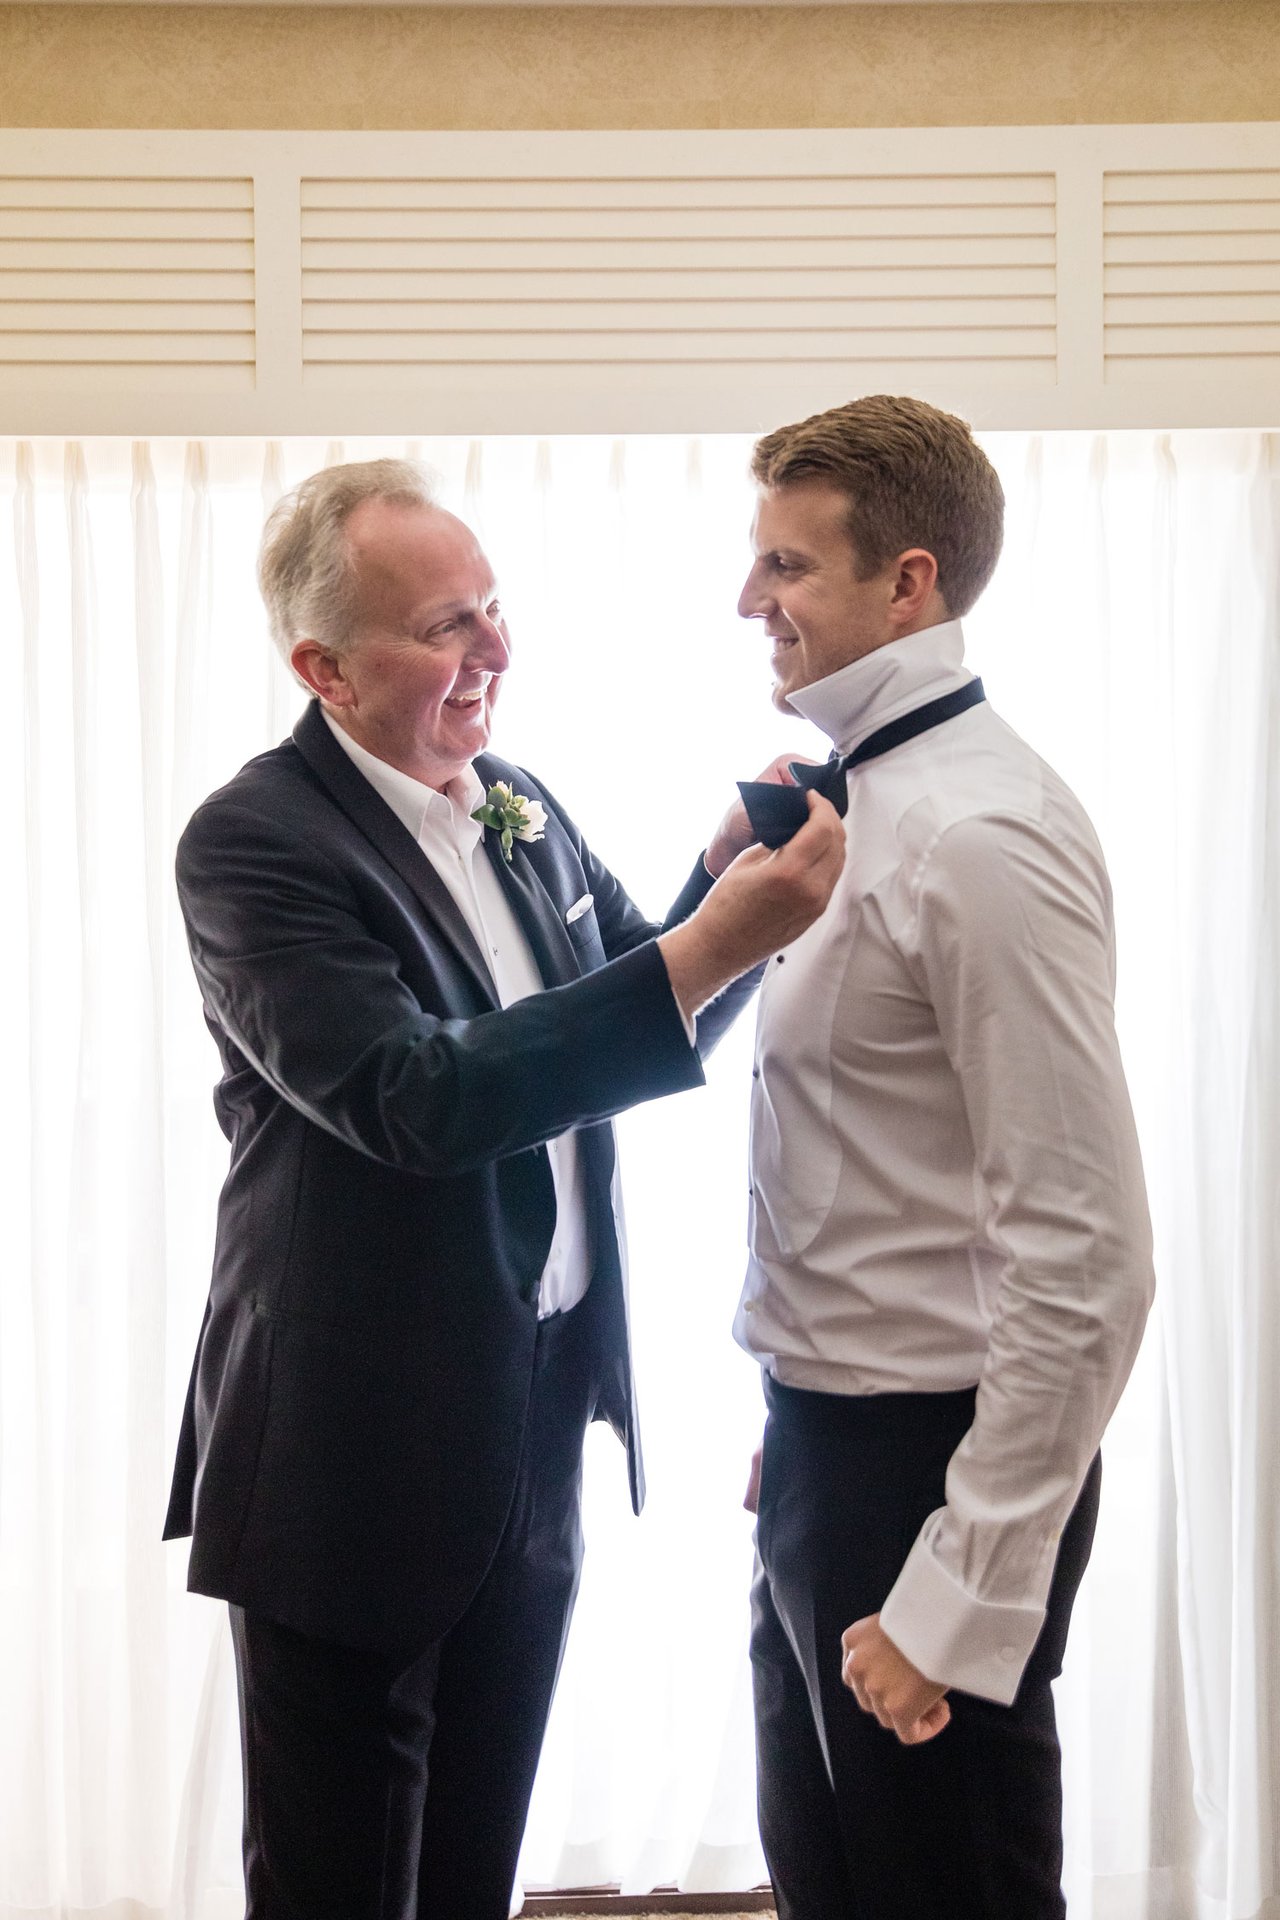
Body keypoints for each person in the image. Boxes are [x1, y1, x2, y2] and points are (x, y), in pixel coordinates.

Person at [162, 458, 844, 1920]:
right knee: (342, 1882)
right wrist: (713, 944)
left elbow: (624, 1015)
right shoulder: (254, 844)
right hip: (347, 1450)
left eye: (496, 609)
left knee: (478, 1866)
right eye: (447, 624)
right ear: (323, 669)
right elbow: (424, 1100)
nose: (497, 652)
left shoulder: (516, 800)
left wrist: (716, 889)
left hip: (532, 1426)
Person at [734, 397, 1156, 1920]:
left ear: (907, 584)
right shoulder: (859, 801)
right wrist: (802, 1420)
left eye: (786, 565)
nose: (747, 602)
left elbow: (1089, 1252)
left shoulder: (981, 832)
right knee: (833, 1890)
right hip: (833, 1451)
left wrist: (962, 1584)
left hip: (934, 1483)